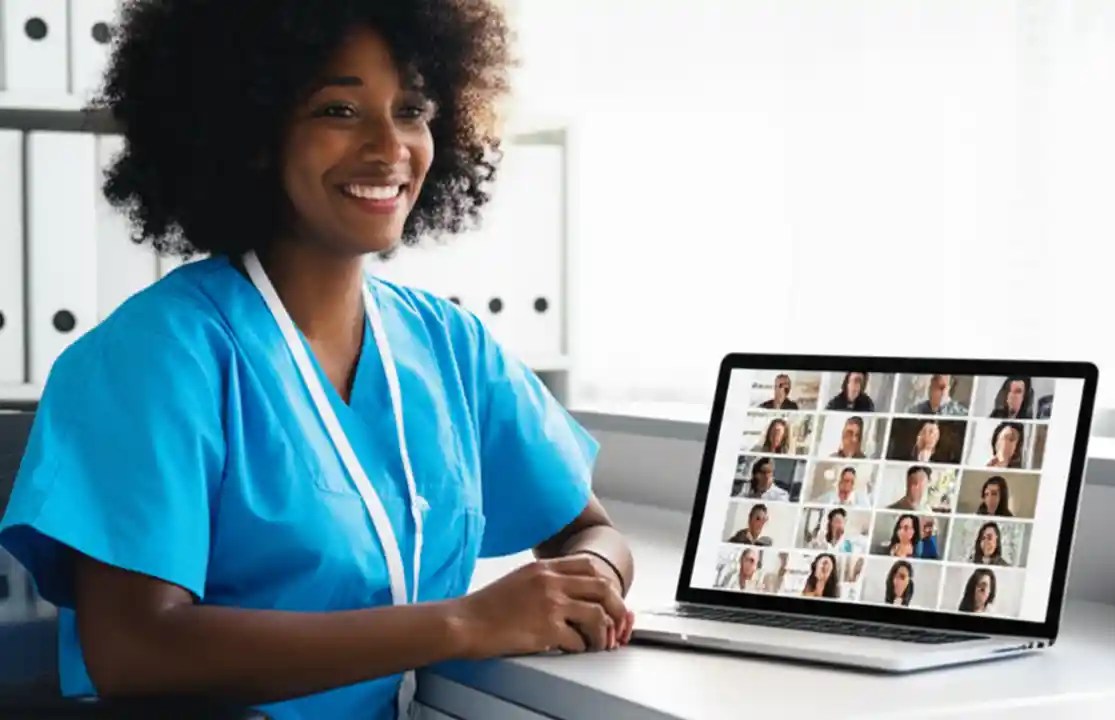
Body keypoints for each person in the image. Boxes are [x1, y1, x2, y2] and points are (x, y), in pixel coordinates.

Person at [0, 5, 637, 719]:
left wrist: (587, 581)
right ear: (252, 131)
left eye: (412, 110)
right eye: (339, 110)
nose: (389, 147)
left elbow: (590, 529)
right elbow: (133, 650)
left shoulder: (450, 343)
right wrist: (464, 622)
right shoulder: (154, 355)